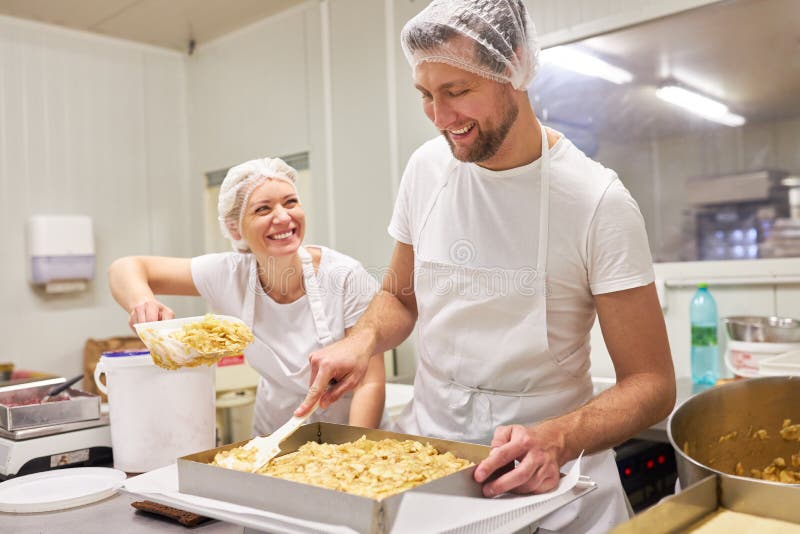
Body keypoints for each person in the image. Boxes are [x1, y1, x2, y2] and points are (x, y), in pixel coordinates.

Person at [295, 1, 675, 531]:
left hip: (553, 481)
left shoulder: (597, 201)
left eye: (457, 92)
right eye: (426, 95)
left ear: (514, 67)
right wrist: (361, 341)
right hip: (429, 463)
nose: (441, 118)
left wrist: (558, 437)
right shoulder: (427, 170)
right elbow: (401, 297)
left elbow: (652, 382)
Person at [109, 157, 385, 436]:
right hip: (274, 436)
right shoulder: (229, 275)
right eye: (263, 209)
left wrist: (353, 454)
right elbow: (125, 267)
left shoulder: (346, 276)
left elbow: (369, 382)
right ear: (235, 228)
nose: (282, 217)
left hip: (350, 434)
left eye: (290, 202)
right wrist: (142, 301)